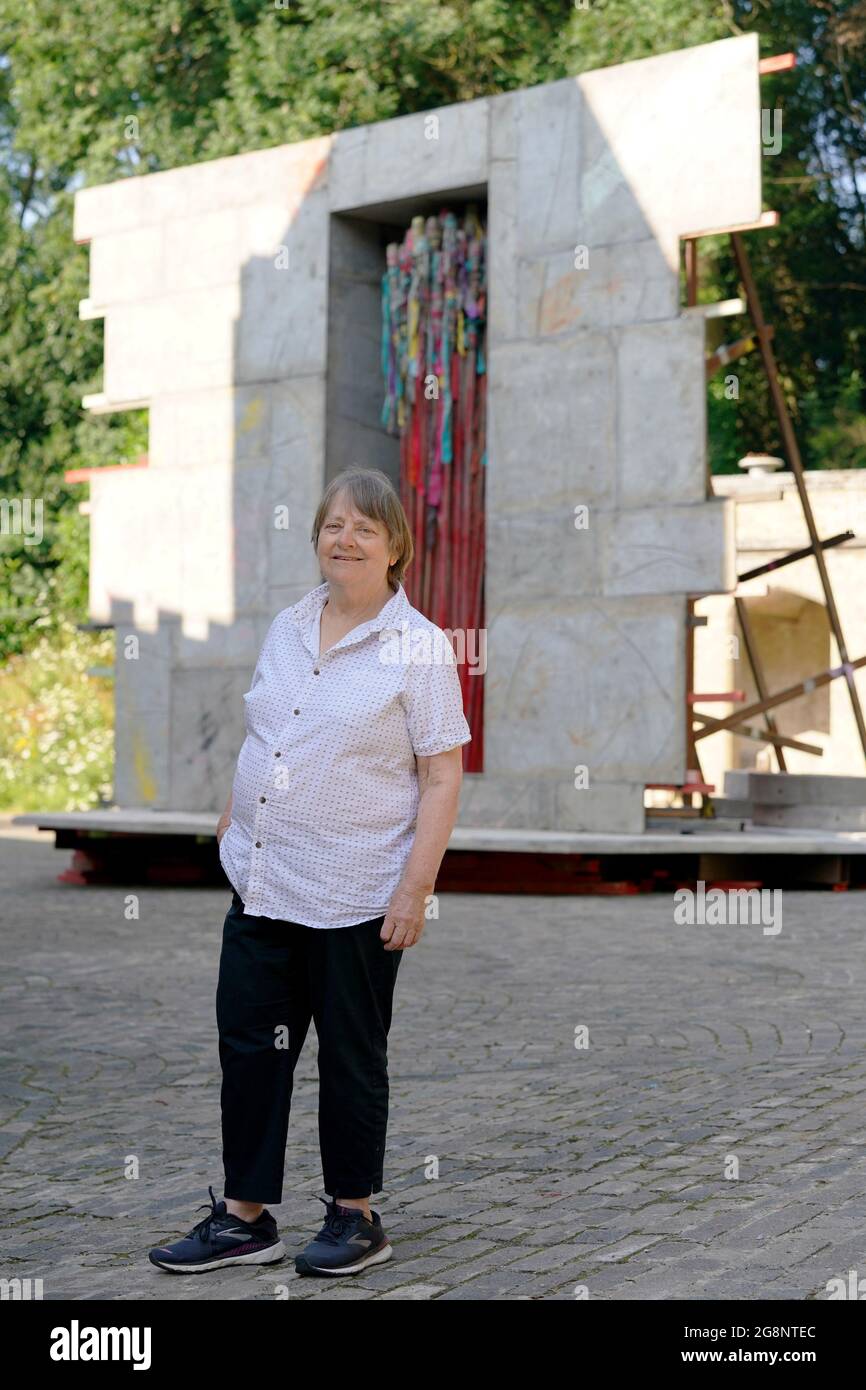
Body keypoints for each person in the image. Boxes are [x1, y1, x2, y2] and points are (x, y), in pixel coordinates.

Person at [148, 465, 471, 1277]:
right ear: (317, 539)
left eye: (365, 527)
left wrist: (415, 889)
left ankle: (356, 1216)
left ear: (395, 546)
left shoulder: (418, 647)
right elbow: (269, 731)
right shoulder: (290, 625)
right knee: (251, 1047)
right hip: (263, 879)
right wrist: (233, 815)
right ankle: (245, 1219)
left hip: (361, 889)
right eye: (334, 525)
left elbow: (441, 775)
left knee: (352, 1055)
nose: (346, 538)